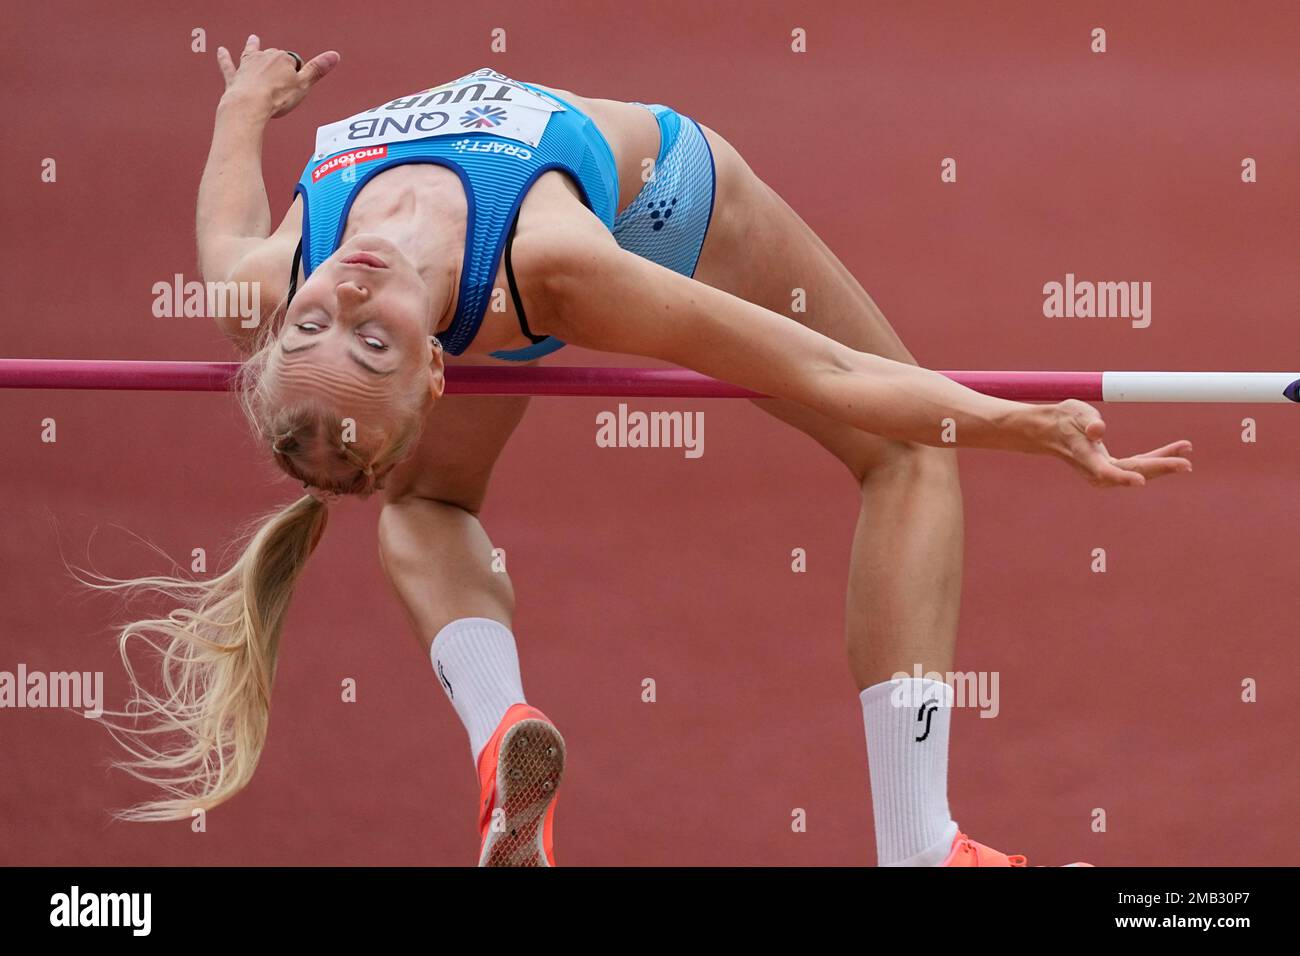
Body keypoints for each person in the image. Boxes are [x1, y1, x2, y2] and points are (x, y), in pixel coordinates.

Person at [99, 36, 1192, 866]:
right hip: (659, 209)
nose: (344, 291)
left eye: (315, 323)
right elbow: (831, 372)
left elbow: (227, 229)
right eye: (372, 337)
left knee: (423, 505)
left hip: (515, 265)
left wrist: (244, 105)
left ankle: (508, 731)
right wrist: (1021, 421)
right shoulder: (560, 261)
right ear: (436, 371)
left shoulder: (272, 286)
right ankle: (919, 846)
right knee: (908, 453)